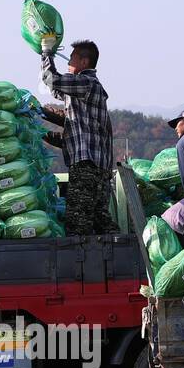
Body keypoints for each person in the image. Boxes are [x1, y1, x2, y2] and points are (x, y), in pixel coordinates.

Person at [39, 37, 117, 235]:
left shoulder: (86, 83)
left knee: (77, 222)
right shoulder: (85, 89)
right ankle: (122, 256)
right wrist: (42, 123)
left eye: (72, 58)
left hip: (86, 165)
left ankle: (79, 263)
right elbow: (60, 96)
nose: (68, 63)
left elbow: (52, 79)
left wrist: (47, 53)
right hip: (99, 167)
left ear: (84, 62)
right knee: (100, 219)